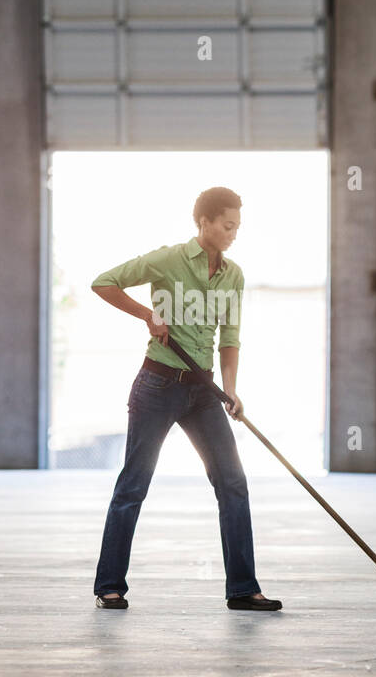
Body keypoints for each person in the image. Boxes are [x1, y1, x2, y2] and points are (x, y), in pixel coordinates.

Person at [90, 186, 281, 612]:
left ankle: (243, 589)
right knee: (134, 484)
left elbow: (229, 338)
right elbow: (104, 282)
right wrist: (147, 315)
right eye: (227, 225)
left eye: (237, 227)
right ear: (205, 223)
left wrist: (230, 391)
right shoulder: (169, 259)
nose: (233, 233)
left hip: (203, 391)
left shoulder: (233, 275)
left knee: (233, 482)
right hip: (157, 385)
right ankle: (109, 586)